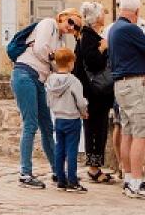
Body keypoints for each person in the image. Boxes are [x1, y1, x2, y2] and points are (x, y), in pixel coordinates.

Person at [13, 8, 82, 189]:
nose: (71, 27)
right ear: (62, 17)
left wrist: (55, 60)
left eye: (75, 27)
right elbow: (40, 48)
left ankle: (57, 171)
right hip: (24, 74)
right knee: (30, 124)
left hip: (38, 80)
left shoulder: (60, 39)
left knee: (47, 126)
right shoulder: (48, 24)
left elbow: (54, 65)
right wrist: (55, 58)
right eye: (70, 22)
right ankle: (25, 174)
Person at [109, 0, 145, 201]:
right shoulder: (131, 29)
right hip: (135, 85)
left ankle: (128, 178)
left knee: (128, 133)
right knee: (142, 134)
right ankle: (137, 183)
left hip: (121, 86)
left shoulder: (114, 29)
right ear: (137, 11)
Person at [74, 1, 116, 184]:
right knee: (95, 130)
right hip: (94, 94)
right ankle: (93, 169)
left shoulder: (89, 35)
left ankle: (95, 167)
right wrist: (103, 48)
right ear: (97, 17)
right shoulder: (89, 37)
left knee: (97, 129)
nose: (104, 16)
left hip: (94, 93)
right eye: (102, 13)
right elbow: (94, 63)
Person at [47, 47, 89, 192]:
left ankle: (61, 180)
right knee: (72, 150)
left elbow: (49, 100)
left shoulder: (51, 80)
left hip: (58, 119)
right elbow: (80, 101)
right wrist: (84, 112)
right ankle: (72, 181)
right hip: (72, 119)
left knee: (60, 149)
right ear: (71, 63)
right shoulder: (74, 81)